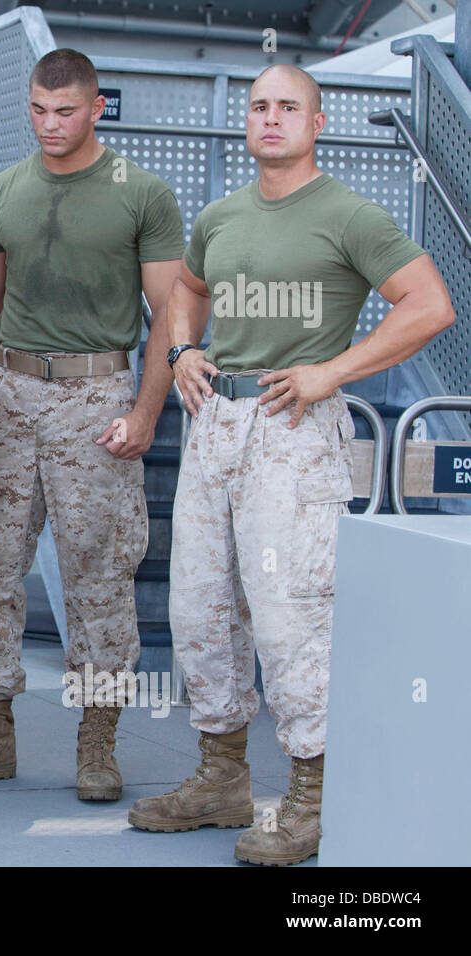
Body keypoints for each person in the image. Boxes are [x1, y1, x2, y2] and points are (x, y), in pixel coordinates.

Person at [129, 64, 453, 865]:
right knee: (201, 613)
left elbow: (431, 305)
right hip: (218, 425)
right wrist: (182, 349)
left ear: (316, 120)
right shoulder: (223, 214)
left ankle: (310, 799)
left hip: (296, 429)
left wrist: (333, 370)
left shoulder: (350, 214)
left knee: (292, 622)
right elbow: (185, 289)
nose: (271, 119)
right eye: (260, 107)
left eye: (287, 108)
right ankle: (221, 780)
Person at [0, 49, 183, 802]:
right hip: (10, 392)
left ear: (96, 109)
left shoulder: (142, 193)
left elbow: (168, 318)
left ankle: (98, 742)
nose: (50, 125)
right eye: (39, 110)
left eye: (66, 111)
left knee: (100, 573)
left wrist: (146, 410)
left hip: (97, 394)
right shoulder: (5, 190)